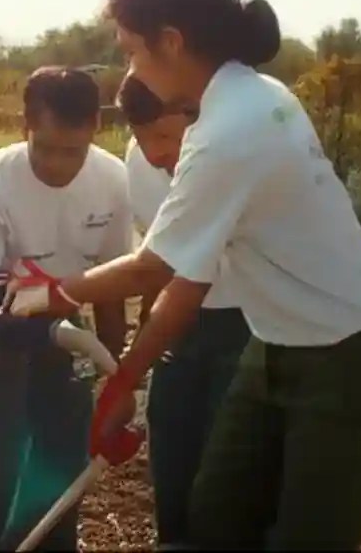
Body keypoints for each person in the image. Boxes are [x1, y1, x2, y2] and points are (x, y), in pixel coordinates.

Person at [5, 0, 361, 550]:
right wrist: (127, 380)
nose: (131, 68)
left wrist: (53, 291)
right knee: (216, 518)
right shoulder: (253, 94)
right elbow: (189, 278)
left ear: (170, 42)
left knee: (305, 537)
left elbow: (155, 266)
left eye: (132, 51)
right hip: (275, 347)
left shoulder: (230, 132)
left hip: (349, 358)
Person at [0, 65, 133, 551]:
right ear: (25, 127)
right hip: (4, 326)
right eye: (46, 149)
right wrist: (2, 353)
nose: (58, 165)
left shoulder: (113, 181)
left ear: (95, 129)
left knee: (63, 455)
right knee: (1, 458)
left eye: (72, 152)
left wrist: (111, 368)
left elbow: (113, 283)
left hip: (70, 323)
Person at [116, 74, 250, 548]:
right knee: (170, 447)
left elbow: (173, 272)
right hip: (181, 322)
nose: (155, 153)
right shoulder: (138, 163)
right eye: (142, 138)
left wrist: (64, 292)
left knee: (227, 472)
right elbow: (162, 265)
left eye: (167, 138)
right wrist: (144, 348)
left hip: (252, 321)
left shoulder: (232, 152)